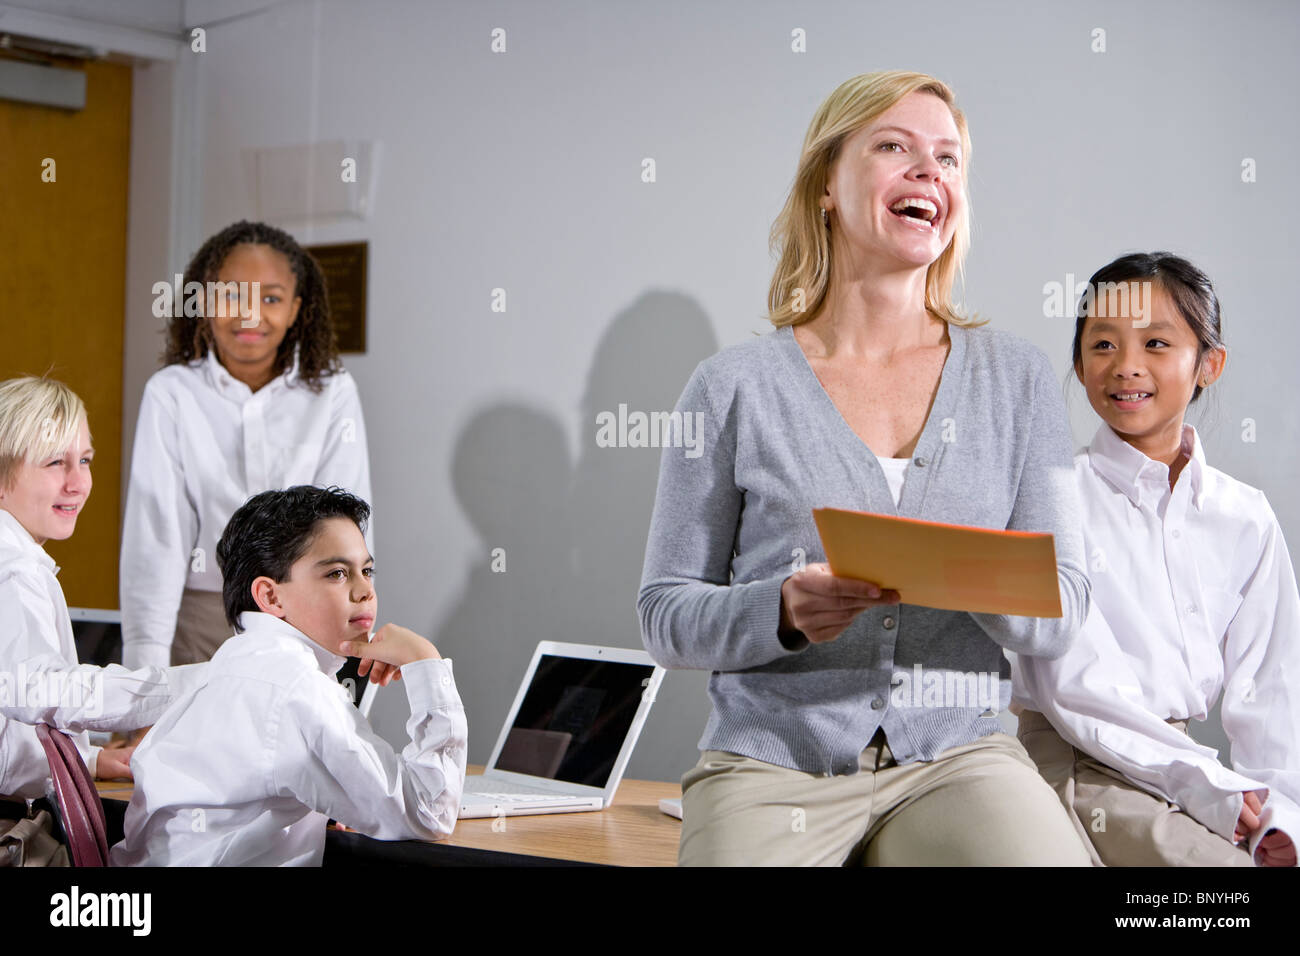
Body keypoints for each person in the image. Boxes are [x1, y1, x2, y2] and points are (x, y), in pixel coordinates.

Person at [637, 70, 1092, 865]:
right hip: (774, 761)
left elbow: (1068, 606)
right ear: (825, 183)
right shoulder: (732, 386)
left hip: (958, 758)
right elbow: (665, 613)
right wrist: (778, 611)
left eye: (948, 160)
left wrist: (962, 574)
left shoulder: (1017, 380)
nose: (929, 173)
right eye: (895, 147)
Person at [1012, 252, 1300, 867]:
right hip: (1076, 763)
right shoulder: (1052, 496)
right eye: (1103, 345)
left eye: (1157, 343)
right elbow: (1077, 692)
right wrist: (1213, 790)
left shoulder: (1245, 517)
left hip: (1186, 770)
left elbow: (1274, 696)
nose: (1126, 368)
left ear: (1208, 364)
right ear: (1079, 362)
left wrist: (1279, 815)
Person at [111, 485, 466, 867]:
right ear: (271, 597)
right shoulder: (295, 688)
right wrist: (425, 661)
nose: (365, 591)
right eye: (336, 573)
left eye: (366, 571)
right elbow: (431, 812)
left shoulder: (234, 663)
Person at [120, 220, 374, 671]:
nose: (250, 315)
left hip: (307, 616)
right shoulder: (172, 393)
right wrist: (145, 674)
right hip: (201, 622)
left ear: (297, 308)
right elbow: (156, 537)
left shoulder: (333, 392)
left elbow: (346, 523)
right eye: (231, 295)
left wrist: (351, 626)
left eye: (271, 299)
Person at [0, 376, 205, 803]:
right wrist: (198, 684)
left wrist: (88, 760)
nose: (78, 483)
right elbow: (42, 691)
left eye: (86, 460)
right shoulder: (14, 572)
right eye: (55, 462)